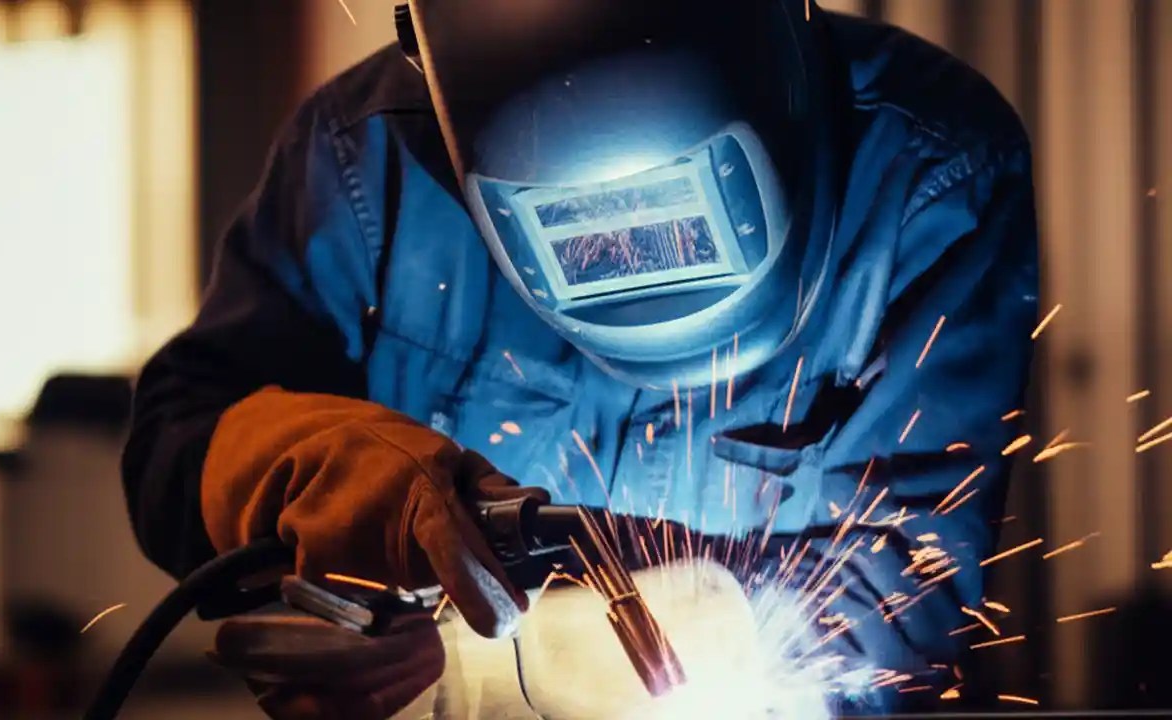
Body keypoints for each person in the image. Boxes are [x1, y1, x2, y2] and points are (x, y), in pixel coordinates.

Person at [122, 0, 1039, 717]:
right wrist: (302, 470)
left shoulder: (929, 170)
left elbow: (899, 594)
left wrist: (492, 670)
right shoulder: (365, 162)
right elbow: (175, 440)